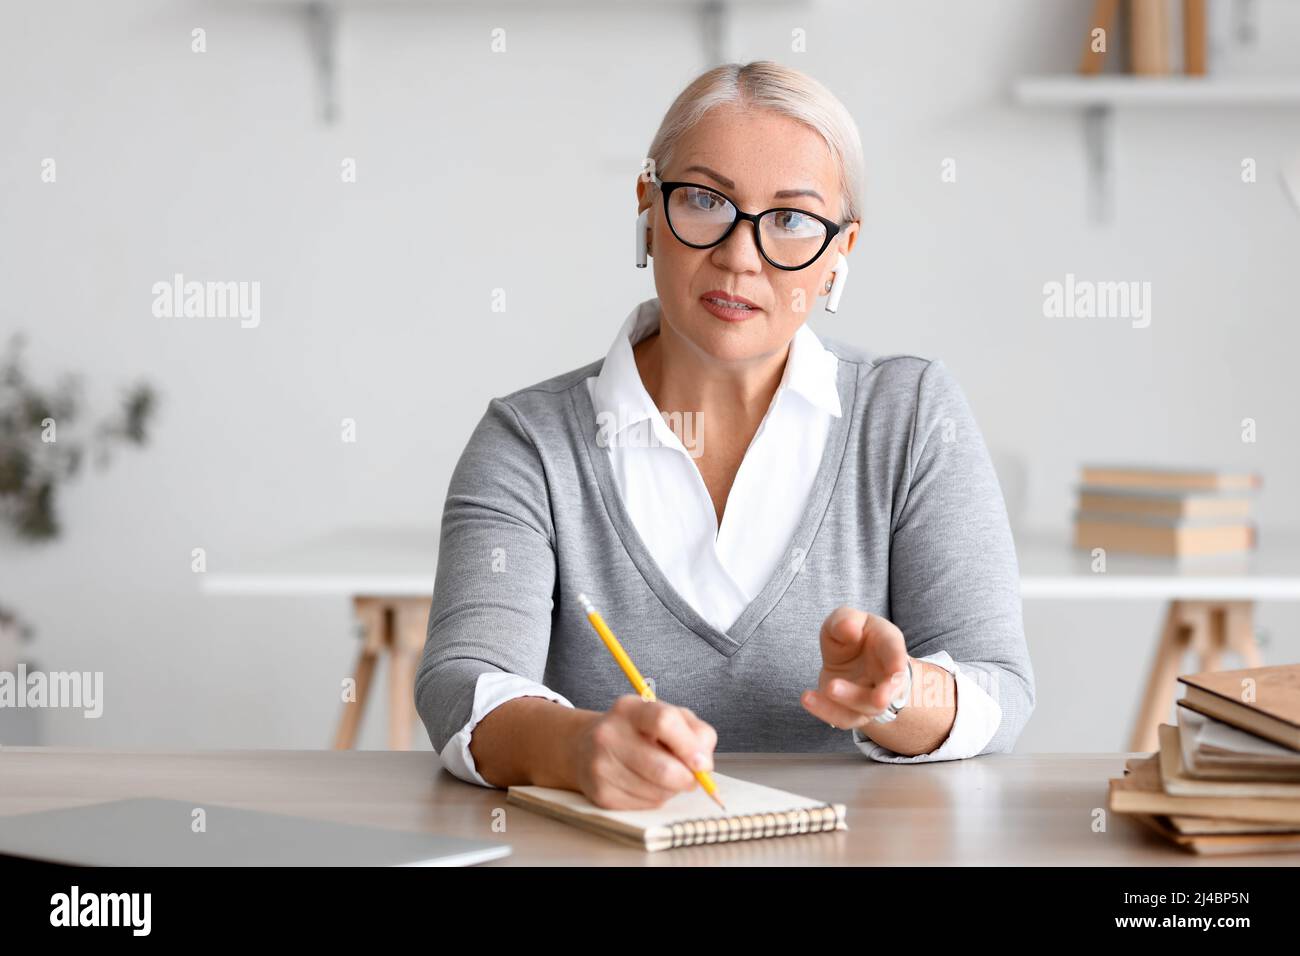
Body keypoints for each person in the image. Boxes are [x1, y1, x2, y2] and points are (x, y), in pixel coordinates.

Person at [416, 60, 1034, 810]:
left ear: (843, 251)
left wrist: (899, 695)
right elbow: (463, 686)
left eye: (793, 219)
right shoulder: (529, 442)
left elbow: (999, 686)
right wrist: (579, 749)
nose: (741, 255)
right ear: (649, 205)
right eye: (706, 201)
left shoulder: (911, 413)